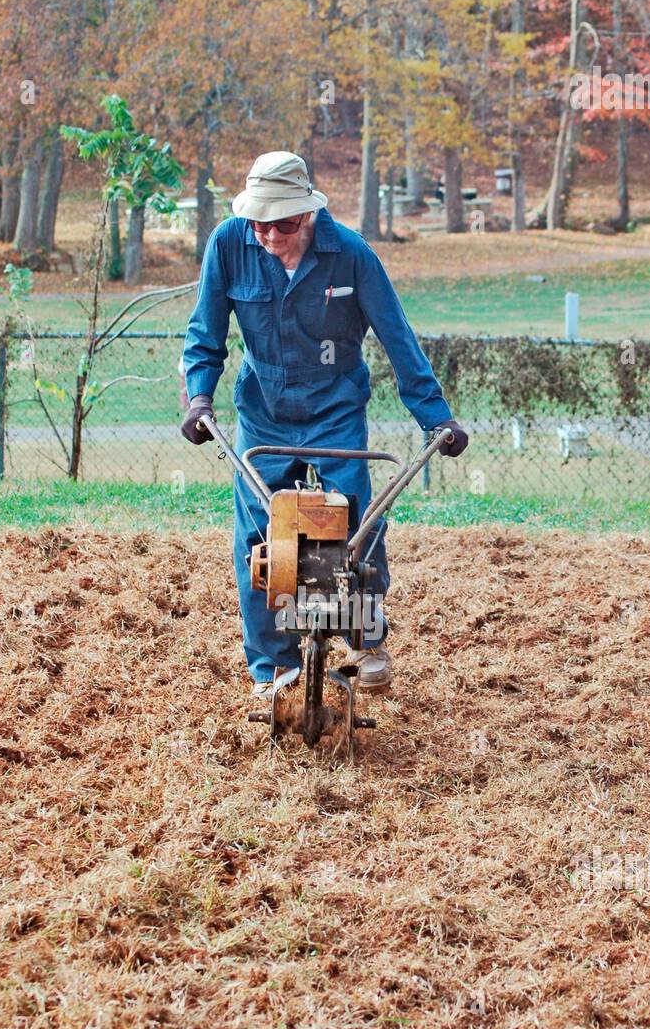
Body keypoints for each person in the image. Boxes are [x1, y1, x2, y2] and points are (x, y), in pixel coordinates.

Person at [179, 150, 467, 698]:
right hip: (263, 413)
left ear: (308, 213)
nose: (267, 234)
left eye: (281, 223)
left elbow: (397, 338)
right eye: (258, 222)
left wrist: (437, 418)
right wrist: (198, 399)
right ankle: (274, 670)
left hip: (335, 410)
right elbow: (205, 334)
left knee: (356, 518)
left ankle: (365, 637)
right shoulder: (229, 244)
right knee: (262, 539)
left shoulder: (351, 256)